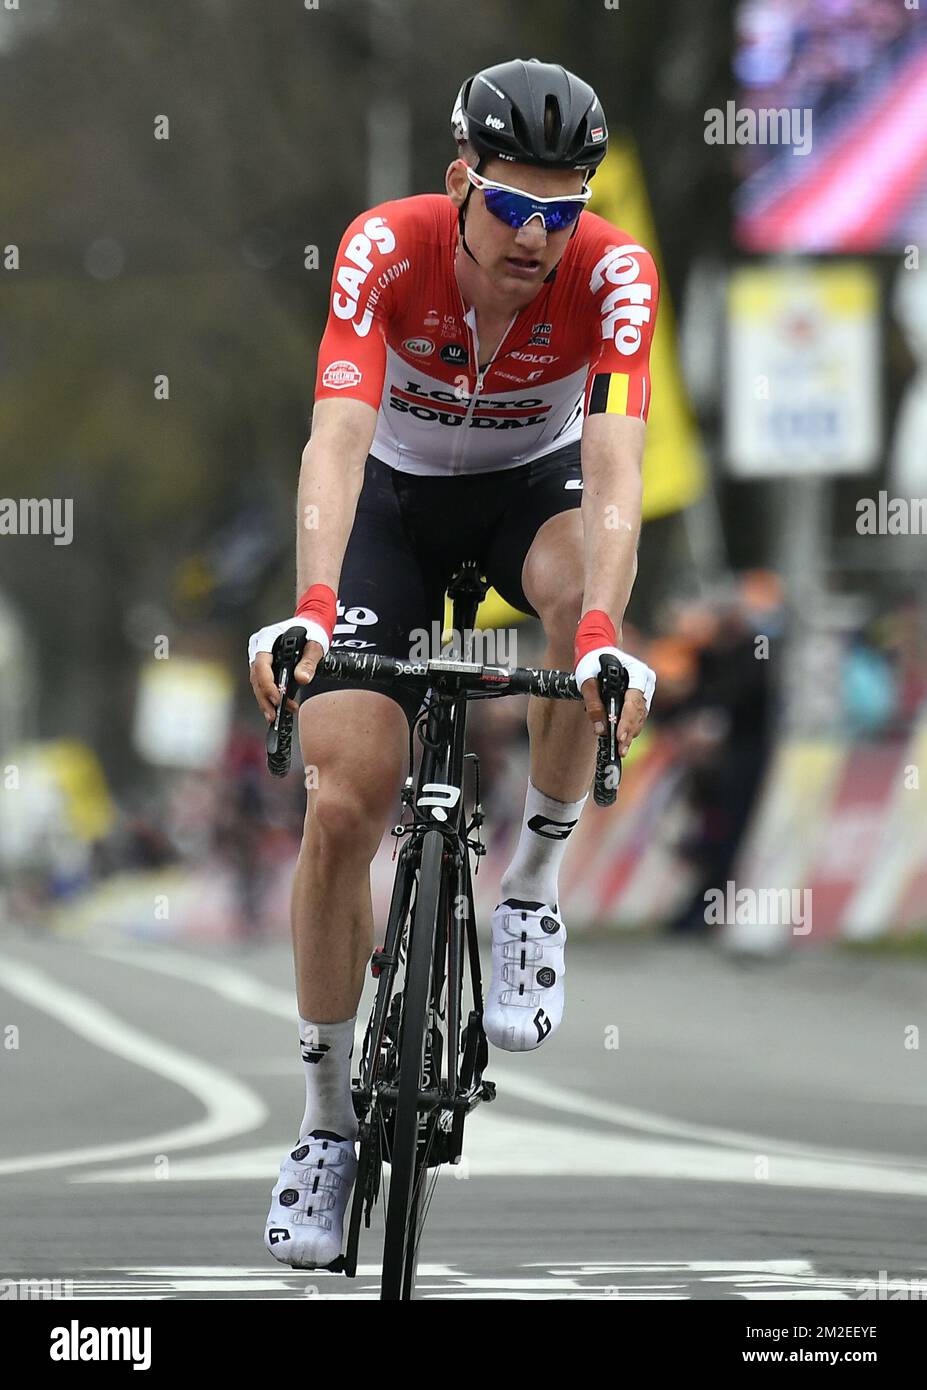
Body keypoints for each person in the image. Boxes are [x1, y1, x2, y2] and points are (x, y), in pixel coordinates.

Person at [248, 58, 659, 1269]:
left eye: (561, 211)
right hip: (391, 503)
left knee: (583, 597)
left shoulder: (616, 271)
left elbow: (621, 470)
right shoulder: (386, 245)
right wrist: (315, 607)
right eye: (514, 208)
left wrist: (598, 641)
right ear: (459, 183)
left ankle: (530, 882)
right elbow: (336, 437)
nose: (538, 238)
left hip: (529, 496)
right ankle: (325, 1125)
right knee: (347, 799)